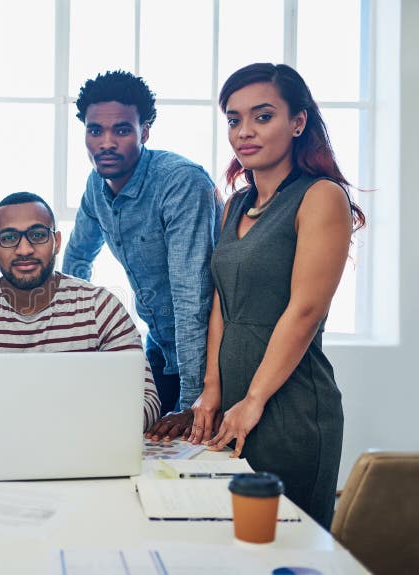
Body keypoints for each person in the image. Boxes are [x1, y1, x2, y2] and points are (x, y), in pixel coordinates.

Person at [162, 63, 365, 529]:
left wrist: (254, 399)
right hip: (232, 402)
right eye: (234, 120)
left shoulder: (321, 196)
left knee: (286, 545)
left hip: (289, 408)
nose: (244, 131)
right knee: (226, 540)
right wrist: (211, 390)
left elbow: (306, 310)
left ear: (298, 123)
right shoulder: (234, 204)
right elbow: (221, 304)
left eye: (263, 116)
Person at [0, 192, 161, 443]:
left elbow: (146, 398)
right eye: (8, 238)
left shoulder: (100, 307)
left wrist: (77, 433)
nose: (24, 249)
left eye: (38, 235)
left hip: (82, 451)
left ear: (57, 241)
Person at [63, 70, 221, 418]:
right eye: (94, 130)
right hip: (160, 349)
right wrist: (71, 338)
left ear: (144, 131)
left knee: (197, 459)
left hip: (214, 363)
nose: (105, 143)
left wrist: (191, 404)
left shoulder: (180, 183)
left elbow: (191, 296)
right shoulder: (96, 186)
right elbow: (76, 258)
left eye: (121, 130)